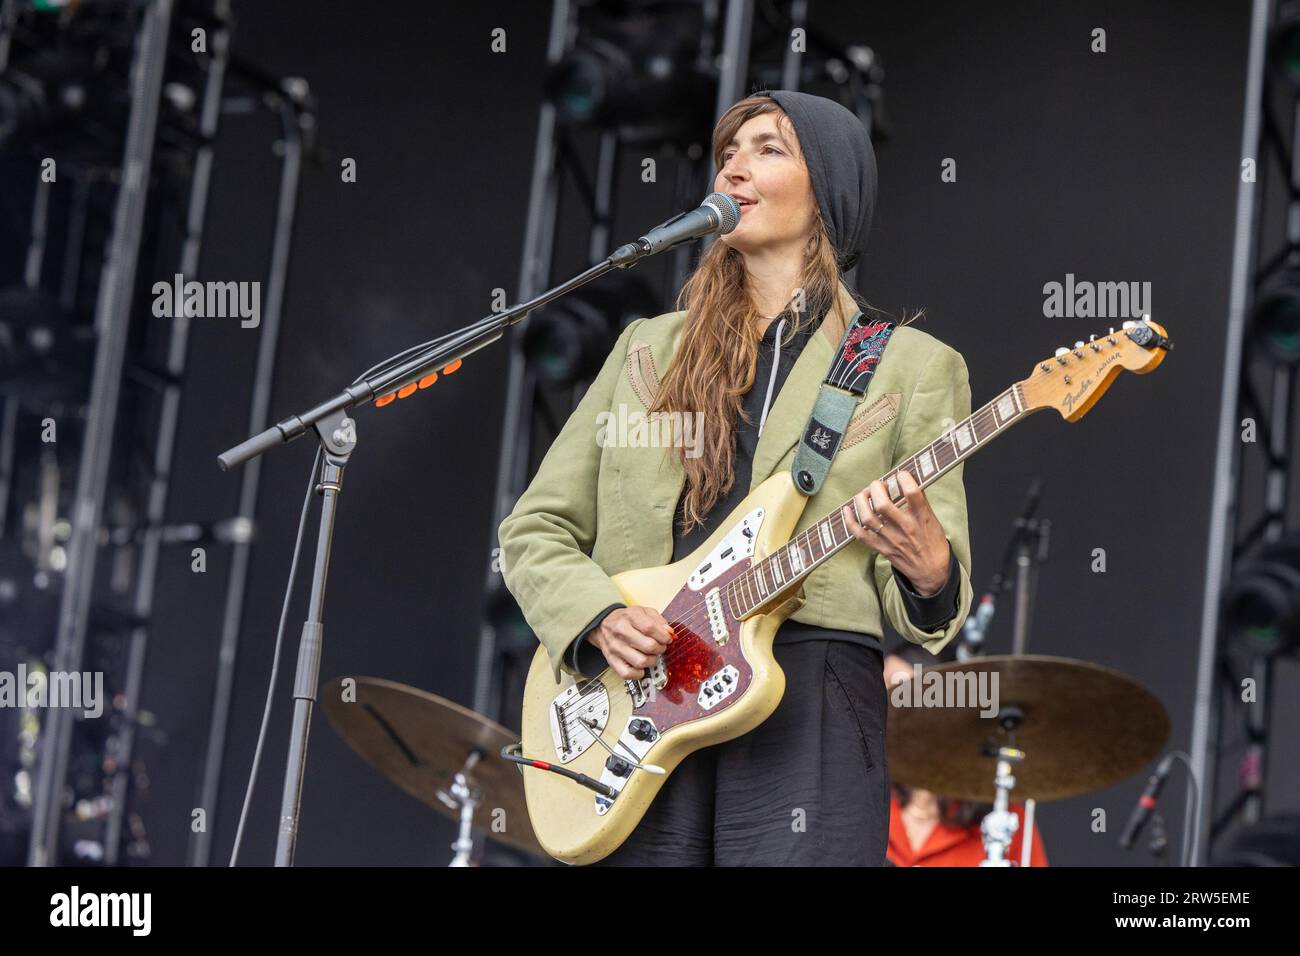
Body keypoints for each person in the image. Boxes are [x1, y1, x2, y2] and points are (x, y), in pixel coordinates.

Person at [498, 90, 975, 866]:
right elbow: (534, 529)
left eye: (768, 148)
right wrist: (595, 616)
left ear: (830, 191)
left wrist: (929, 571)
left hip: (812, 700)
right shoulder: (647, 350)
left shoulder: (910, 365)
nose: (735, 166)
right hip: (643, 692)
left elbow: (928, 601)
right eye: (729, 152)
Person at [883, 643, 1049, 866]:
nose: (887, 712)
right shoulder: (858, 799)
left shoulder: (1003, 817)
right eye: (883, 695)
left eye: (904, 698)